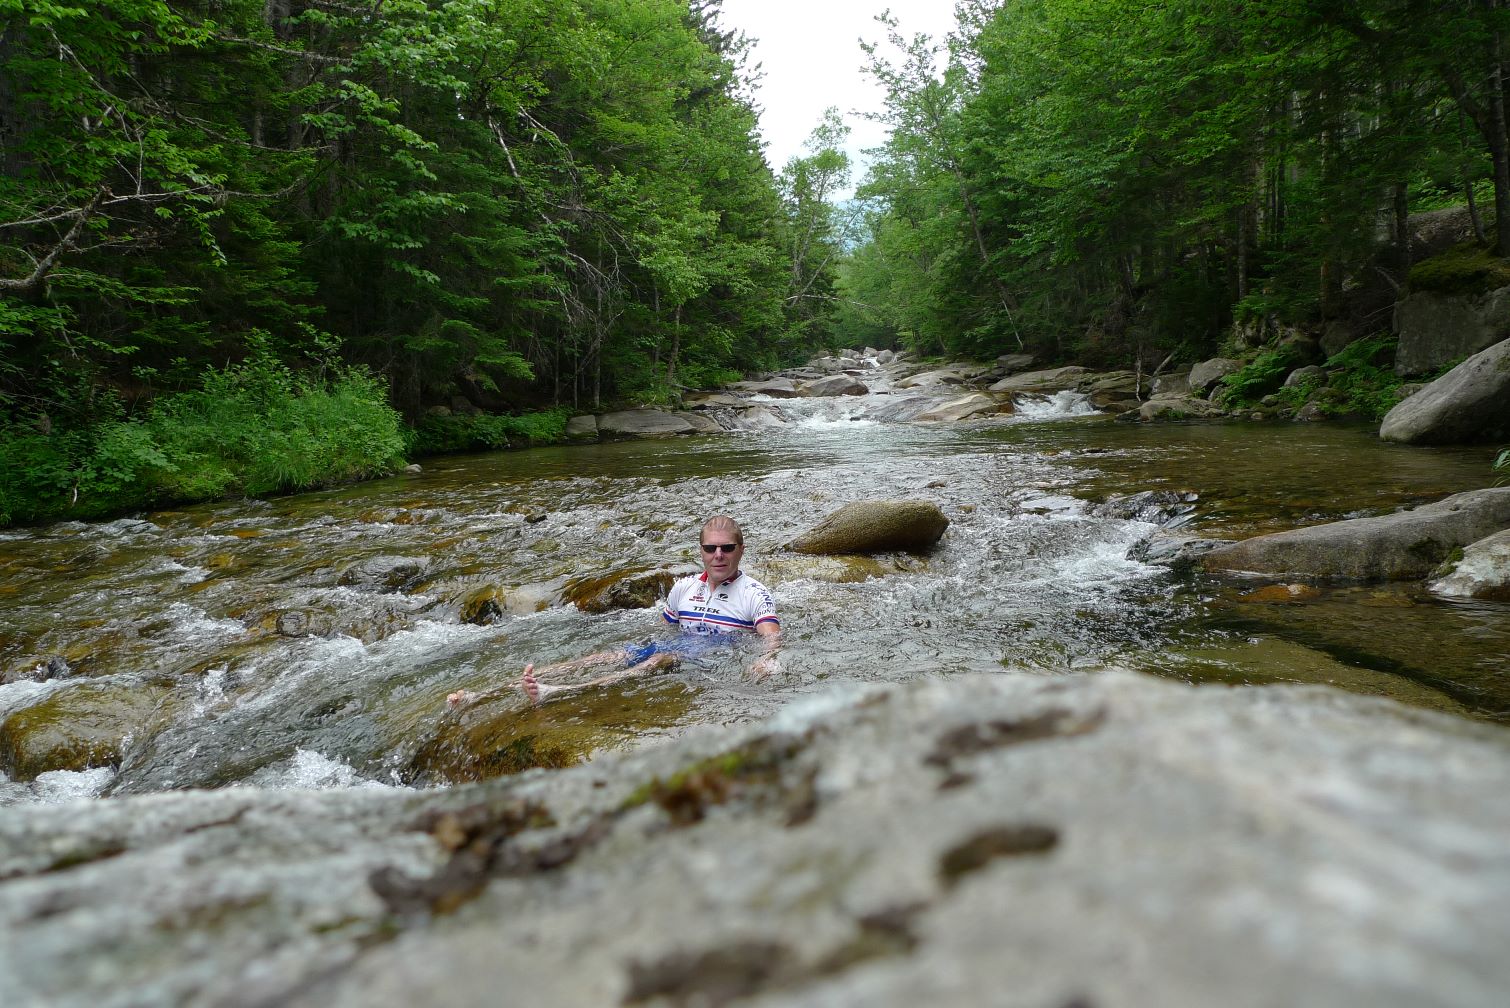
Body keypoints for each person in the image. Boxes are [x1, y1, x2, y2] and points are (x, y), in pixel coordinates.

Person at [446, 515, 780, 708]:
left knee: (659, 660)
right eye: (711, 548)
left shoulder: (755, 594)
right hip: (679, 646)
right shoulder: (683, 588)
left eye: (726, 548)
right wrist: (630, 649)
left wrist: (764, 661)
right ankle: (481, 695)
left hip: (711, 659)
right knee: (599, 658)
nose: (718, 554)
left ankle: (558, 694)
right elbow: (666, 632)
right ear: (702, 551)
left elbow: (770, 639)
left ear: (740, 550)